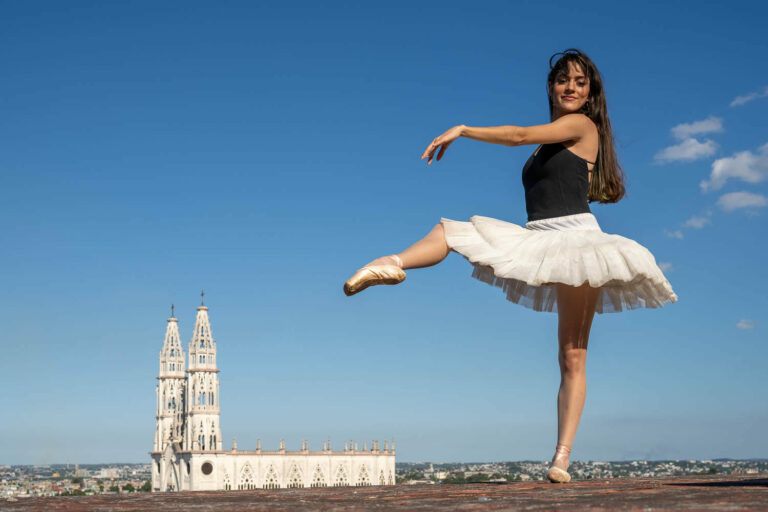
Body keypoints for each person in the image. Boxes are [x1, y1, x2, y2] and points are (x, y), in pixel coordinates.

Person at [343, 49, 678, 483]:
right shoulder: (548, 141)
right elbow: (530, 145)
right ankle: (390, 263)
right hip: (537, 235)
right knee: (451, 230)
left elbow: (517, 134)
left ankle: (561, 458)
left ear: (590, 93)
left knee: (572, 355)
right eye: (563, 79)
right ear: (551, 87)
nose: (570, 87)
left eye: (580, 82)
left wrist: (464, 129)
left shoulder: (582, 126)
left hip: (576, 240)